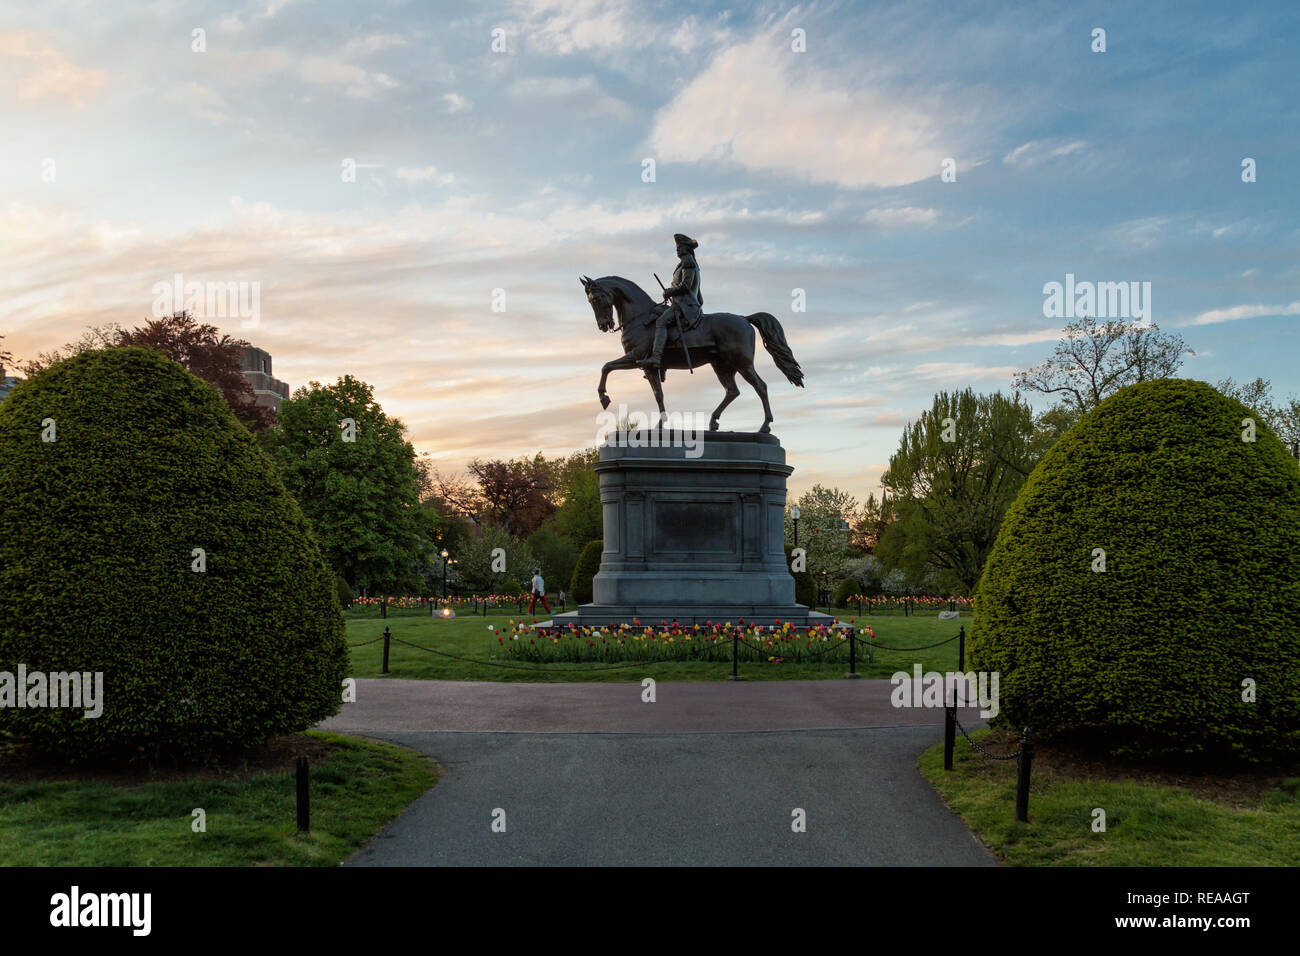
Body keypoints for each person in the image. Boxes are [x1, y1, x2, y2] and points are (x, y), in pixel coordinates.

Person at [638, 233, 703, 371]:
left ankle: (656, 358)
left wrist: (670, 292)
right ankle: (662, 365)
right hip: (681, 303)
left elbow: (686, 285)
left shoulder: (688, 261)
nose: (678, 250)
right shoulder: (688, 263)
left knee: (661, 322)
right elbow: (698, 294)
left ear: (687, 248)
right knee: (656, 313)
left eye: (680, 247)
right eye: (677, 247)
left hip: (685, 306)